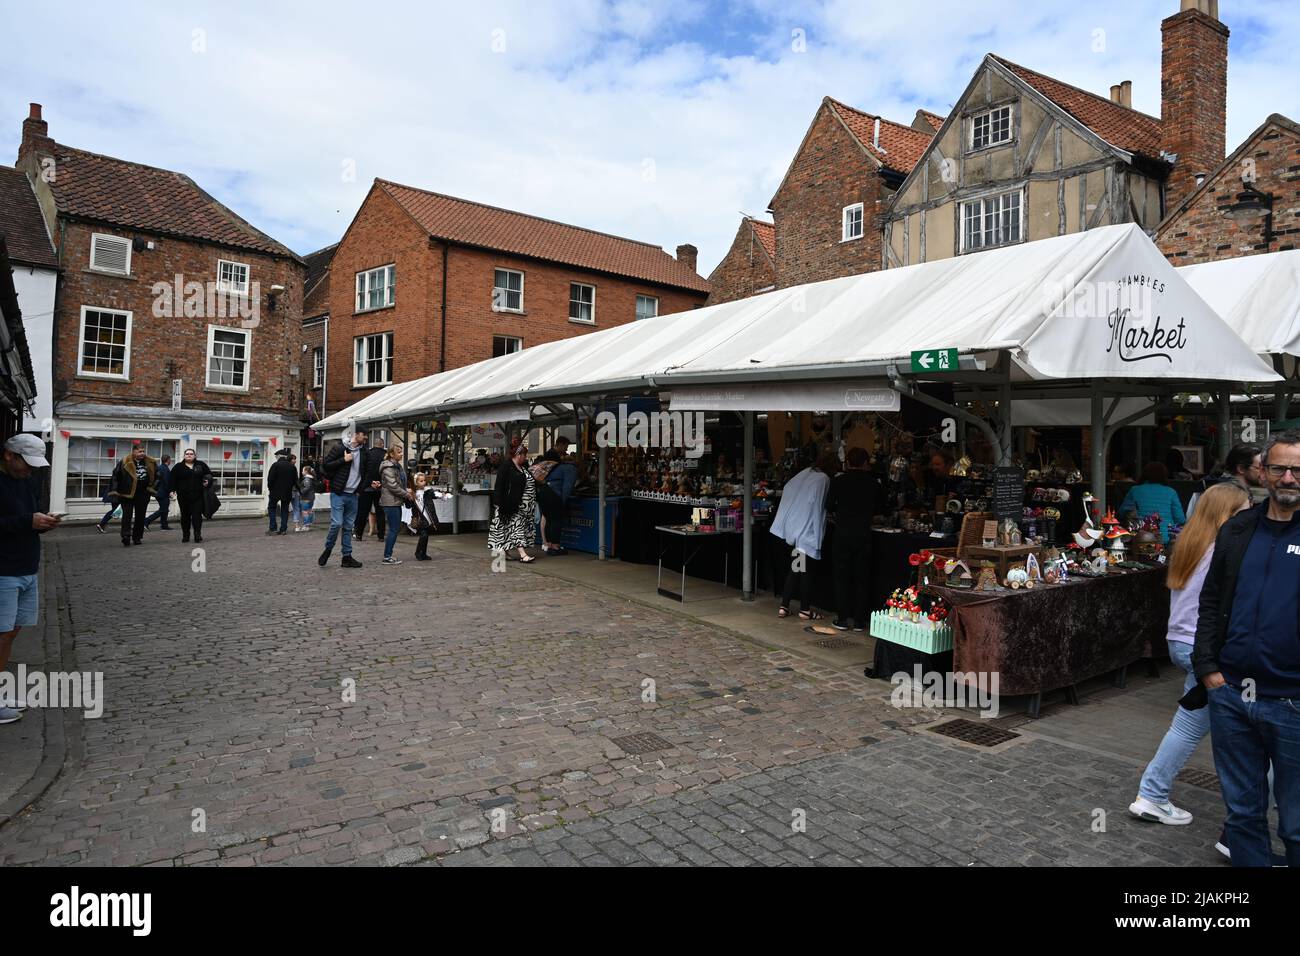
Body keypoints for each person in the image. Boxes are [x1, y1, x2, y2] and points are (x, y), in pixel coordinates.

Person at [1194, 430, 1300, 867]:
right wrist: (1207, 669)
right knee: (1242, 814)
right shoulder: (1237, 529)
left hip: (1293, 702)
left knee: (1296, 822)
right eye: (1278, 468)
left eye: (1297, 469)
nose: (1289, 477)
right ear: (1264, 473)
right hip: (1232, 695)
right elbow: (1212, 600)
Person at [1130, 482, 1250, 827]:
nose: (1250, 515)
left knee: (1187, 726)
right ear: (1227, 514)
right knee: (1255, 733)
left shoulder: (1191, 543)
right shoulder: (1221, 551)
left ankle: (1152, 795)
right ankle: (1245, 824)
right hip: (1205, 648)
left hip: (1183, 643)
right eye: (1244, 509)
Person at [0, 435, 60, 726]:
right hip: (3, 570)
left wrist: (42, 524)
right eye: (26, 463)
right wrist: (28, 522)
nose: (30, 470)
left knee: (10, 633)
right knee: (0, 634)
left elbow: (25, 518)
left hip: (26, 568)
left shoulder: (25, 482)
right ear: (9, 455)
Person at [771, 451, 834, 621]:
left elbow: (788, 488)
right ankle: (804, 609)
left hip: (796, 527)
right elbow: (818, 507)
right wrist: (818, 536)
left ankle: (784, 605)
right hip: (808, 531)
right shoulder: (823, 480)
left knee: (797, 568)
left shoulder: (805, 473)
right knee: (804, 571)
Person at [825, 446, 879, 632]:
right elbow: (883, 507)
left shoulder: (838, 482)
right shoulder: (873, 483)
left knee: (841, 577)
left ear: (847, 462)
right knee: (862, 578)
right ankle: (859, 621)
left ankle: (841, 618)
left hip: (842, 533)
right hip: (863, 534)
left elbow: (829, 505)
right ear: (865, 464)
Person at [318, 429, 367, 568]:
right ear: (356, 435)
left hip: (353, 495)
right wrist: (343, 460)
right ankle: (328, 549)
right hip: (339, 493)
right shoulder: (340, 448)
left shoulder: (364, 452)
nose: (366, 437)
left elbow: (366, 471)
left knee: (348, 527)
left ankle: (347, 557)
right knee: (336, 523)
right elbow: (325, 466)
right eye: (364, 434)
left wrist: (362, 488)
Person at [488, 442, 536, 563]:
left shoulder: (522, 467)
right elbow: (499, 485)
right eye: (524, 455)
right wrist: (498, 501)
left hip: (523, 505)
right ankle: (523, 554)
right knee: (516, 528)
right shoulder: (507, 466)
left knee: (507, 529)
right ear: (518, 454)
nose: (525, 458)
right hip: (511, 504)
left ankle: (505, 552)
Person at [1118, 462, 1186, 543]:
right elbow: (1181, 519)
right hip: (1166, 538)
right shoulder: (1171, 492)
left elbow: (1122, 512)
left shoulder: (1135, 490)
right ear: (1164, 475)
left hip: (1141, 538)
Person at [109, 444, 157, 546]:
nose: (142, 453)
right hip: (126, 493)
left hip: (143, 492)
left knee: (140, 516)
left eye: (143, 451)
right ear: (134, 452)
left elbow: (158, 476)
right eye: (140, 451)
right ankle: (126, 536)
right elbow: (115, 476)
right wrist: (114, 491)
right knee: (127, 515)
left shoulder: (150, 462)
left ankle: (137, 537)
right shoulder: (125, 461)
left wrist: (152, 488)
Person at [378, 442, 412, 565]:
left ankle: (388, 554)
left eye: (402, 451)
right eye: (399, 452)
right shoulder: (389, 467)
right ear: (392, 454)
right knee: (393, 529)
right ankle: (387, 556)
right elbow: (393, 486)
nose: (402, 454)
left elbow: (399, 482)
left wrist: (405, 489)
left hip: (395, 501)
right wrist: (406, 494)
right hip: (390, 501)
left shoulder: (397, 466)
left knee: (394, 528)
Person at [171, 448, 212, 543]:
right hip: (183, 496)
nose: (189, 455)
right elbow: (172, 479)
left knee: (197, 516)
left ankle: (197, 534)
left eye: (191, 454)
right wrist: (172, 490)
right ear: (184, 456)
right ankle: (186, 535)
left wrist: (207, 481)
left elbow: (209, 475)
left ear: (194, 456)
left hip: (198, 495)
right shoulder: (178, 467)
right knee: (185, 516)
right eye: (187, 454)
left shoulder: (201, 465)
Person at [542, 450, 578, 554]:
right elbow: (568, 486)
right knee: (556, 520)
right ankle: (555, 547)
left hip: (544, 492)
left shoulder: (549, 468)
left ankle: (549, 545)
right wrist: (562, 500)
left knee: (549, 519)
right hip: (554, 495)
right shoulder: (569, 468)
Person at [355, 437, 386, 541]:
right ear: (382, 444)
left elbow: (362, 471)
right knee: (380, 512)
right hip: (381, 488)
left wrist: (370, 482)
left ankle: (359, 534)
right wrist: (380, 483)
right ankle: (381, 536)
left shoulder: (367, 454)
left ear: (374, 444)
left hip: (367, 487)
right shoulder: (386, 455)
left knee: (363, 512)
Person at [265, 447, 297, 536]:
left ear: (279, 456)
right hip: (287, 492)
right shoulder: (292, 466)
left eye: (276, 457)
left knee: (271, 508)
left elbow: (270, 479)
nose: (276, 458)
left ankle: (273, 528)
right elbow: (295, 480)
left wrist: (270, 489)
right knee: (284, 510)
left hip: (275, 492)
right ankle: (283, 529)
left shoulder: (275, 465)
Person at [409, 471, 439, 560]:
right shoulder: (413, 493)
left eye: (424, 480)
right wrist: (410, 497)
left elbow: (434, 496)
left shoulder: (427, 491)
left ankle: (423, 553)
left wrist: (442, 495)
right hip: (420, 517)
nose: (423, 482)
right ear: (416, 482)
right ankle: (418, 552)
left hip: (428, 517)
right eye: (421, 481)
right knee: (424, 535)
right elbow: (408, 505)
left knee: (426, 535)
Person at [143, 454, 174, 530]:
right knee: (163, 509)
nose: (170, 461)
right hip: (162, 492)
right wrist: (170, 491)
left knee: (164, 508)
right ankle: (146, 521)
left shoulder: (160, 467)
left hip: (158, 492)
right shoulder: (165, 469)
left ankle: (164, 525)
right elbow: (166, 481)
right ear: (168, 460)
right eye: (170, 459)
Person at [297, 465, 317, 531]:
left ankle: (306, 525)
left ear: (306, 471)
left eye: (303, 470)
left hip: (306, 497)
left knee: (305, 511)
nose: (302, 472)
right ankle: (309, 523)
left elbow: (307, 487)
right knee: (309, 510)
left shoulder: (307, 479)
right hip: (311, 497)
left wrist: (301, 492)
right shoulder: (312, 478)